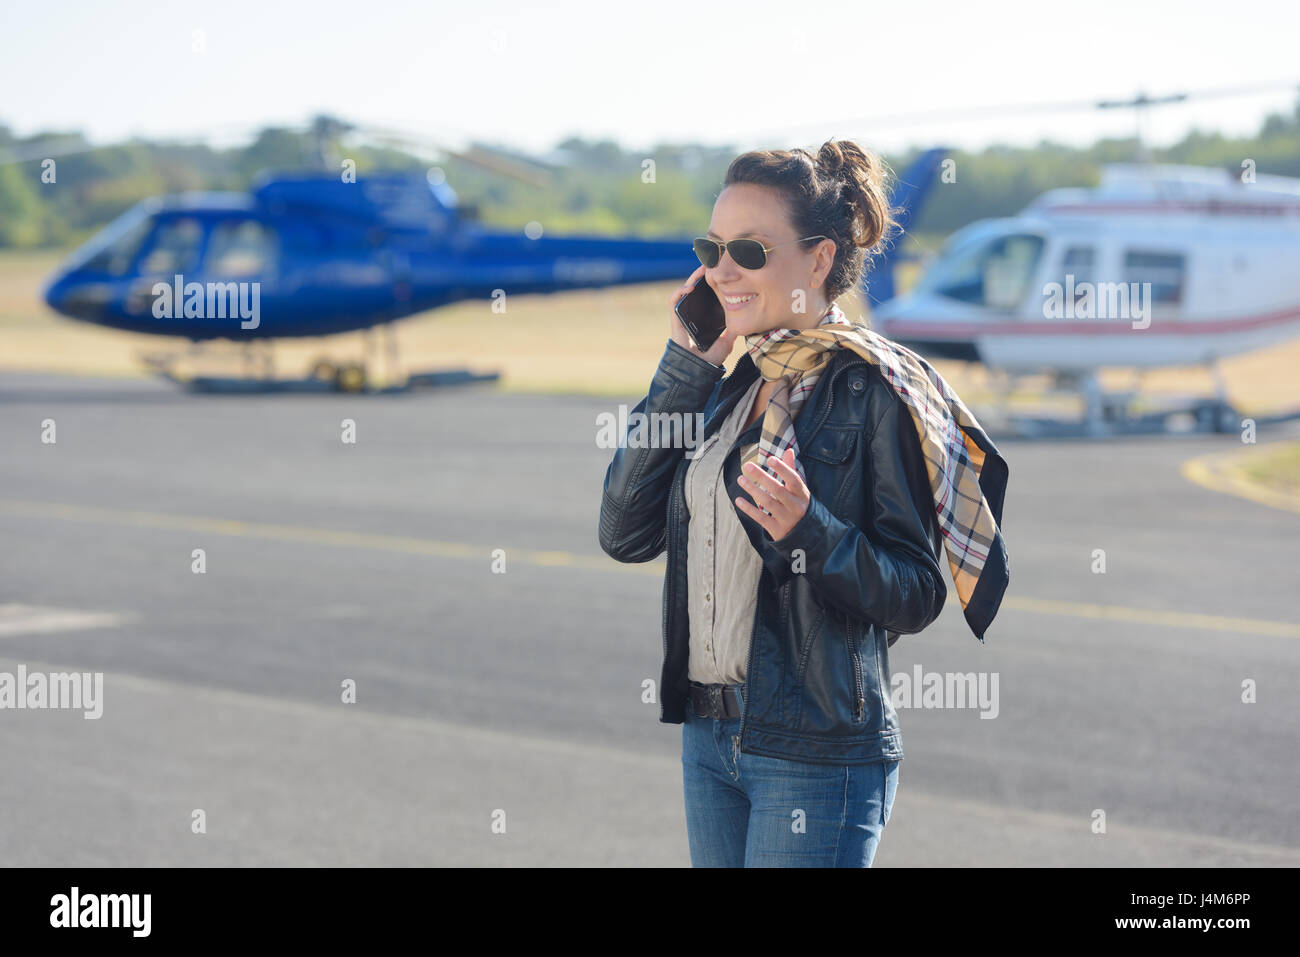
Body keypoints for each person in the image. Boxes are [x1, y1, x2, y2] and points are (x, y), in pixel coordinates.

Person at [598, 139, 1009, 867]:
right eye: (712, 247)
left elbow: (916, 593)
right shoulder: (727, 380)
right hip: (708, 733)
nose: (722, 269)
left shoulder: (875, 389)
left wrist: (809, 531)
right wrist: (685, 367)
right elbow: (624, 531)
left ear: (818, 260)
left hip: (817, 754)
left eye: (749, 251)